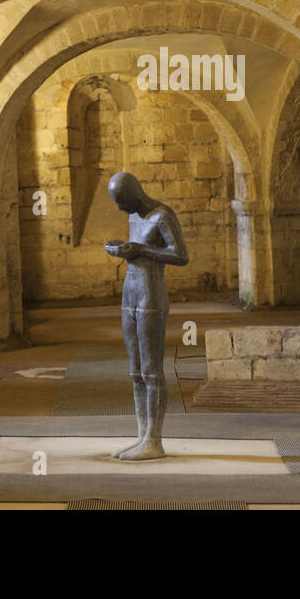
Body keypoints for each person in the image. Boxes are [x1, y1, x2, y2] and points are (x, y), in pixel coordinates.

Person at [103, 171, 189, 460]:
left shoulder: (162, 215)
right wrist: (124, 251)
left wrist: (140, 249)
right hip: (131, 292)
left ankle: (154, 440)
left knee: (152, 370)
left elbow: (180, 255)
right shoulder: (133, 217)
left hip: (152, 295)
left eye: (122, 201)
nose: (119, 208)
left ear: (135, 193)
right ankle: (142, 436)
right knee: (135, 371)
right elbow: (139, 252)